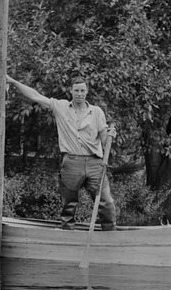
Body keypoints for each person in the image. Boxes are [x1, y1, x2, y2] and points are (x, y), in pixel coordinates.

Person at [6, 74, 117, 231]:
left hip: (95, 163)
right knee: (68, 205)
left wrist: (110, 136)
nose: (79, 94)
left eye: (82, 90)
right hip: (71, 162)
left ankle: (111, 238)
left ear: (87, 91)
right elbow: (35, 96)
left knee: (107, 203)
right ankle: (67, 238)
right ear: (71, 91)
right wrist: (12, 81)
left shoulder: (97, 112)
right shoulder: (61, 106)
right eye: (76, 90)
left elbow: (105, 141)